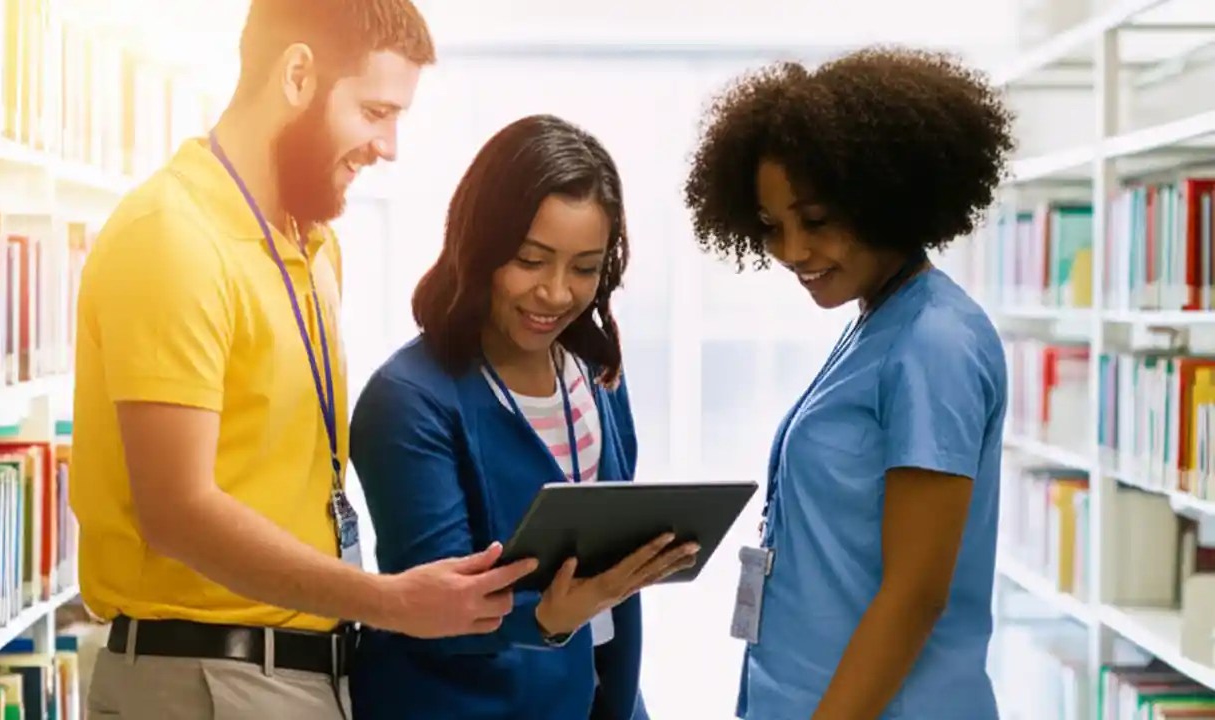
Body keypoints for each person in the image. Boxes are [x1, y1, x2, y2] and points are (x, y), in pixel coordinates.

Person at [69, 2, 538, 718]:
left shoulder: (313, 248)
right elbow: (176, 510)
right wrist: (389, 600)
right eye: (375, 110)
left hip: (295, 673)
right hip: (206, 681)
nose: (389, 146)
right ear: (296, 75)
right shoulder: (171, 237)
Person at [681, 47, 1016, 720]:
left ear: (883, 196)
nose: (793, 252)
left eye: (818, 219)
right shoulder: (881, 320)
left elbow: (915, 594)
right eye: (772, 227)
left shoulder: (934, 342)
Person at [348, 113, 699, 720]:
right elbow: (429, 608)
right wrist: (544, 617)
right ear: (479, 247)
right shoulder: (408, 398)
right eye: (531, 260)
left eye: (585, 268)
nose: (556, 293)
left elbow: (607, 598)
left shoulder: (596, 377)